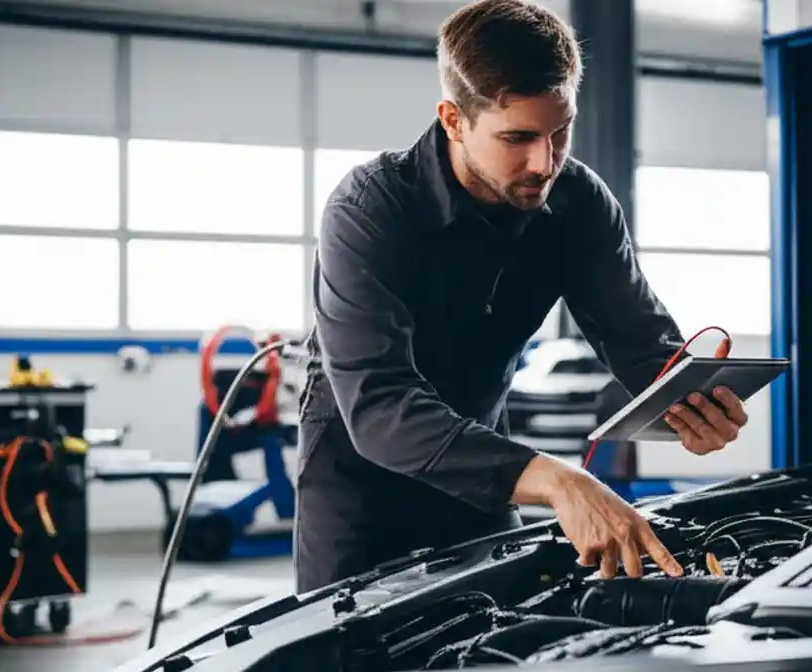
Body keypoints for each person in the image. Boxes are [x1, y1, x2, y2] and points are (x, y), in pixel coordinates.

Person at [296, 0, 749, 593]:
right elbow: (380, 407)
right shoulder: (369, 210)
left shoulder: (578, 203)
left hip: (481, 476)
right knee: (349, 670)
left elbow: (641, 343)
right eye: (518, 137)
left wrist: (689, 400)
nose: (545, 161)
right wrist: (560, 481)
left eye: (561, 132)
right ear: (454, 120)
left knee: (502, 650)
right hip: (358, 485)